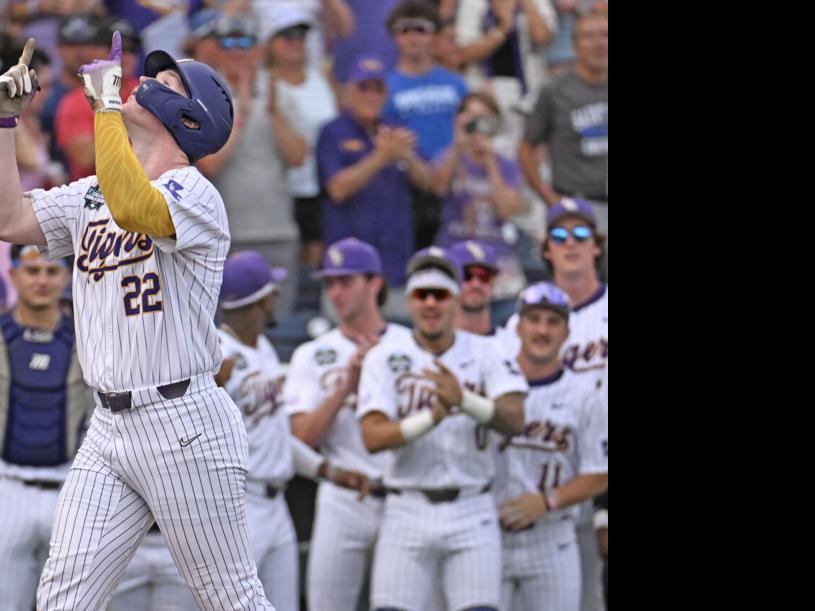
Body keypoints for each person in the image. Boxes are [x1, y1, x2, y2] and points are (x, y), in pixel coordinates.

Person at [0, 35, 277, 608]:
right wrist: (5, 123)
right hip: (108, 429)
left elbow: (136, 208)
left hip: (183, 424)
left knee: (230, 597)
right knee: (62, 598)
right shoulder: (93, 194)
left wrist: (103, 108)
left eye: (167, 82)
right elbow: (11, 219)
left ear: (190, 118)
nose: (144, 82)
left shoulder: (195, 192)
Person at [358, 246, 528, 611]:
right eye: (422, 295)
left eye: (441, 295)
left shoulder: (489, 351)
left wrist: (465, 401)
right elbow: (372, 437)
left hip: (473, 505)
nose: (431, 304)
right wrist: (431, 418)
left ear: (456, 300)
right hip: (406, 505)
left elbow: (515, 419)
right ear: (409, 301)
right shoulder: (385, 355)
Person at [217, 250, 370, 609]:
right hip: (239, 503)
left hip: (276, 503)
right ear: (260, 300)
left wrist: (327, 470)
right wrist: (208, 387)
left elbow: (276, 434)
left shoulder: (265, 348)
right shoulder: (214, 353)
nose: (276, 299)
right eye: (272, 292)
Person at [284, 237, 412, 611]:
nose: (335, 292)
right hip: (342, 495)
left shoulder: (408, 344)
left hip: (403, 494)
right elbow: (302, 438)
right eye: (329, 283)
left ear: (374, 284)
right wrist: (346, 385)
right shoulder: (311, 354)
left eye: (345, 281)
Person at [496, 282, 608, 611]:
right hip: (490, 534)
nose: (542, 330)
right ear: (517, 327)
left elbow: (600, 472)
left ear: (566, 332)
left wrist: (548, 501)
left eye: (553, 322)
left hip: (553, 537)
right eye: (534, 319)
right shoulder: (493, 382)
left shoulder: (585, 395)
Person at [0, 244, 91, 611]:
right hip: (7, 485)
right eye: (33, 270)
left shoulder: (87, 339)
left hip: (68, 485)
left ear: (67, 278)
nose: (42, 280)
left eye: (52, 272)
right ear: (14, 274)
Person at [317, 54, 432, 319]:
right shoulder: (333, 132)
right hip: (346, 271)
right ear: (348, 91)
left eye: (377, 88)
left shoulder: (396, 129)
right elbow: (337, 188)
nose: (370, 95)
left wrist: (407, 156)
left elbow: (430, 182)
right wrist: (381, 157)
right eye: (363, 87)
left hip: (395, 267)